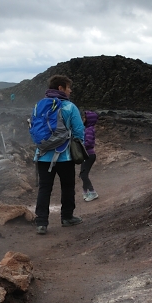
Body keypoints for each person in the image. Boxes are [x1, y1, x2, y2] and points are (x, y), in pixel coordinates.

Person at [33, 75, 85, 235]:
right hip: (64, 156)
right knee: (67, 187)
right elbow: (78, 131)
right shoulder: (69, 107)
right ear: (61, 88)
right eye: (68, 87)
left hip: (42, 155)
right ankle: (67, 218)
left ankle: (41, 223)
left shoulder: (39, 105)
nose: (70, 91)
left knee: (44, 188)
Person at [80, 110, 99, 201]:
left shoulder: (89, 130)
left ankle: (92, 192)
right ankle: (85, 192)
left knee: (83, 175)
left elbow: (89, 143)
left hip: (89, 155)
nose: (83, 119)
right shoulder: (87, 129)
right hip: (87, 155)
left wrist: (80, 145)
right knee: (83, 174)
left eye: (85, 118)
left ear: (89, 120)